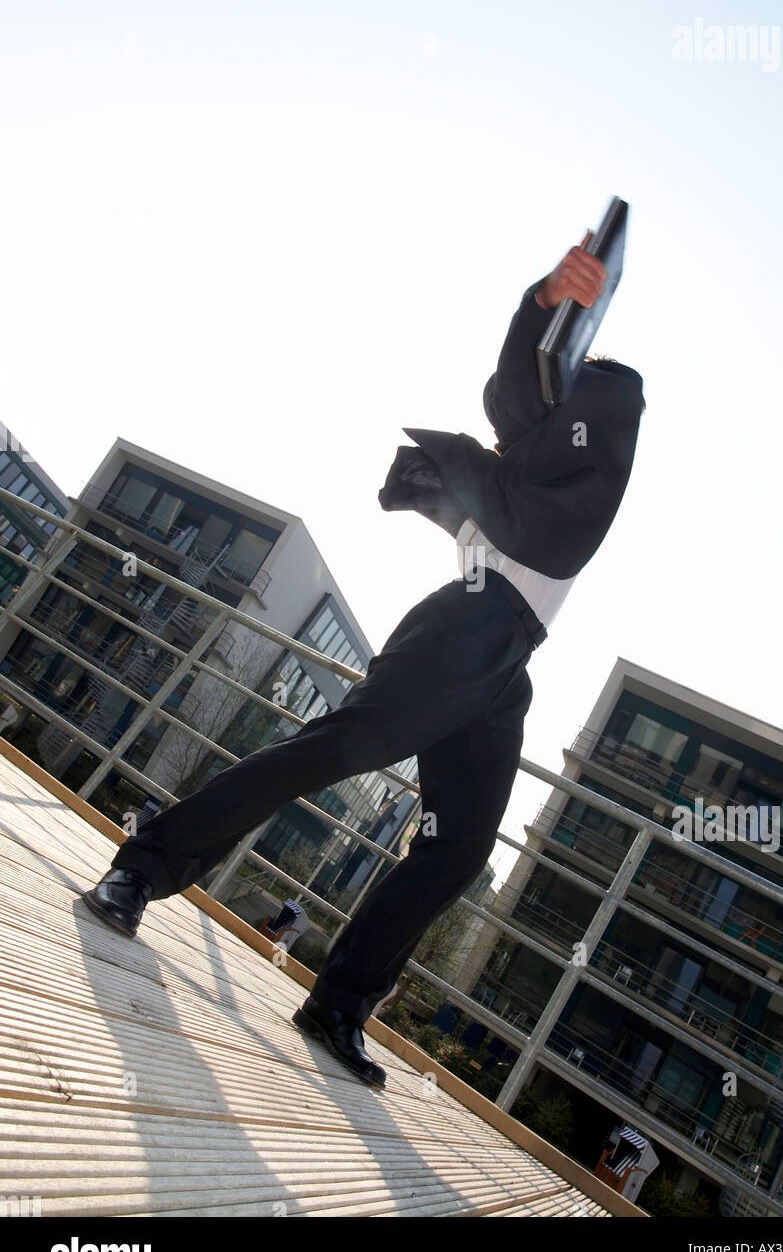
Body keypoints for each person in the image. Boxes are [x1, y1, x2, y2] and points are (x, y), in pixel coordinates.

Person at [82, 235, 645, 1090]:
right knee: (332, 750)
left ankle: (339, 1002)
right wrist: (541, 302)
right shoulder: (541, 431)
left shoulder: (573, 476)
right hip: (465, 626)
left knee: (457, 849)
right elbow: (515, 380)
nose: (613, 429)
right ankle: (140, 870)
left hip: (507, 662)